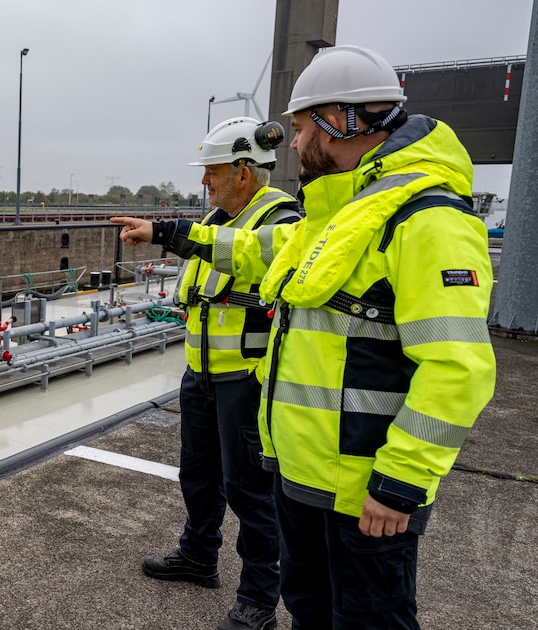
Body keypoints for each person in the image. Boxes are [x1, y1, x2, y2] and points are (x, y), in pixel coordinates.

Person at [113, 45, 496, 629]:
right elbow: (248, 249)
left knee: (370, 619)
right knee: (312, 613)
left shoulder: (425, 220)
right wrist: (165, 230)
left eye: (297, 128)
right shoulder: (334, 215)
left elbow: (457, 366)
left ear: (341, 120)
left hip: (365, 492)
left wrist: (400, 483)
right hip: (306, 476)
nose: (290, 145)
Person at [113, 117, 301, 630]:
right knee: (197, 476)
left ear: (244, 171)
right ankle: (198, 556)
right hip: (202, 374)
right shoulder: (220, 217)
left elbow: (252, 258)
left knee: (250, 493)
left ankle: (260, 600)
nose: (204, 182)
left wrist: (166, 233)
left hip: (246, 377)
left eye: (212, 171)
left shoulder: (283, 219)